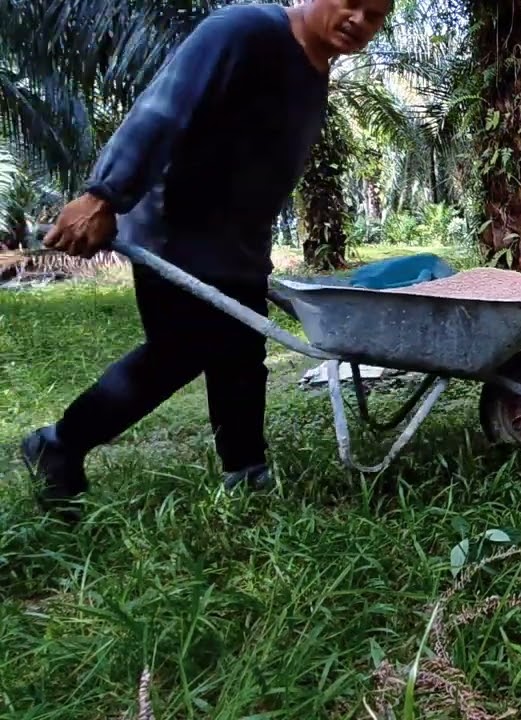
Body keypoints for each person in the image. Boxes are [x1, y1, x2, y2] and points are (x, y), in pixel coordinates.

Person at [23, 0, 391, 522]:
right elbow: (165, 108)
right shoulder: (245, 30)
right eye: (352, 3)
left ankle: (247, 471)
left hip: (236, 242)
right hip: (176, 228)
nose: (360, 20)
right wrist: (104, 195)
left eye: (375, 15)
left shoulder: (315, 68)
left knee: (241, 354)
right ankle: (58, 444)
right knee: (179, 350)